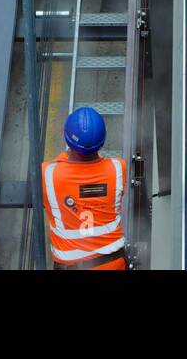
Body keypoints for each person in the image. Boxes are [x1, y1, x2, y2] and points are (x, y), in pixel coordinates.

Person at [40, 108, 128, 270]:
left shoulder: (48, 174)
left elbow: (60, 164)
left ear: (66, 138)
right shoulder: (118, 168)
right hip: (114, 264)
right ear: (102, 140)